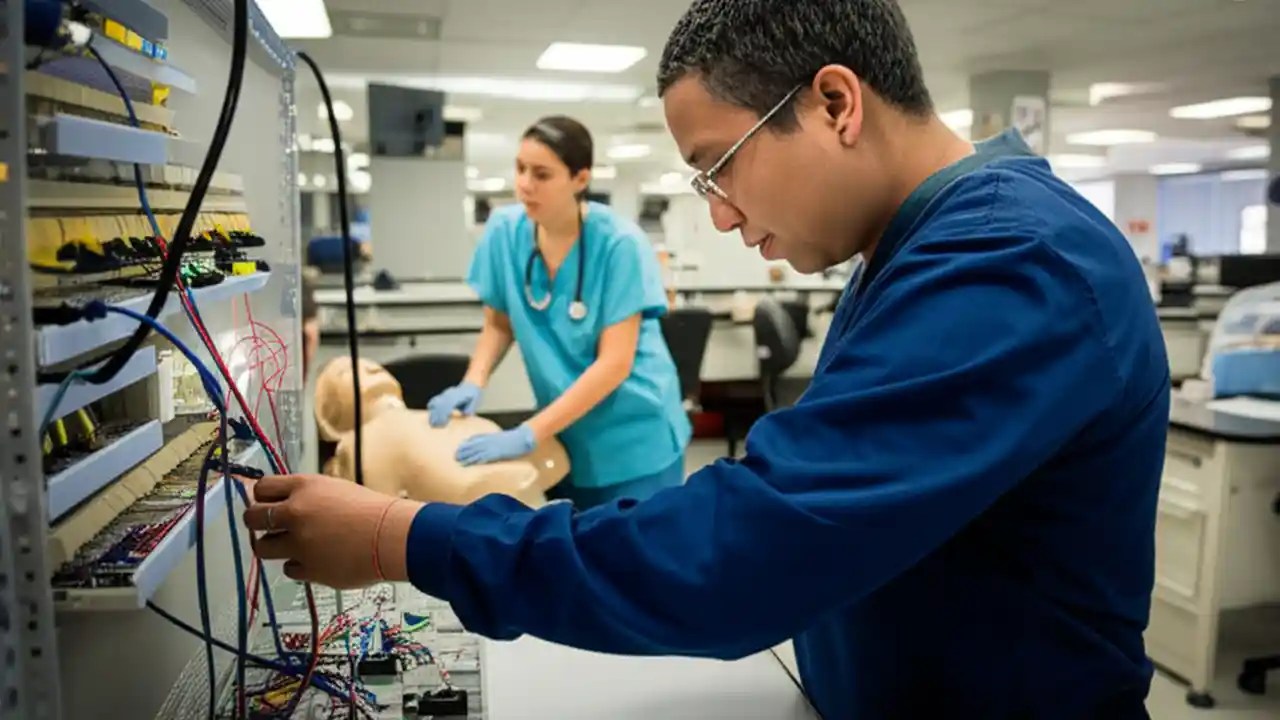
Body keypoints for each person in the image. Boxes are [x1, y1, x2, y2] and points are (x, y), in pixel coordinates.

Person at [244, 1, 1169, 717]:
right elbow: (798, 498)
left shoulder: (1012, 261)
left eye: (719, 165)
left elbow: (753, 549)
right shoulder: (910, 250)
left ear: (836, 103)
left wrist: (404, 538)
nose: (719, 213)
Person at [424, 115, 691, 509]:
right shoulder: (504, 231)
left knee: (632, 560)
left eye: (542, 174)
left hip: (635, 435)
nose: (524, 184)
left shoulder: (621, 245)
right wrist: (474, 381)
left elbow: (615, 363)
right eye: (520, 169)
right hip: (564, 432)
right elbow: (499, 321)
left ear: (580, 179)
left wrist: (529, 433)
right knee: (571, 553)